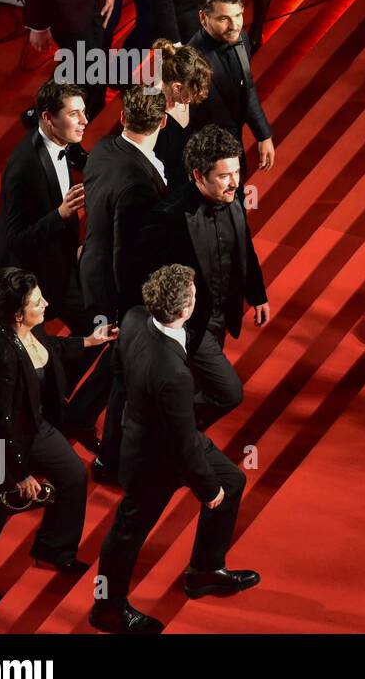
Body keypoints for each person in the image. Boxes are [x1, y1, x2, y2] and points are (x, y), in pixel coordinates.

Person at [92, 265, 257, 635]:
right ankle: (107, 608)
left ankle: (205, 571)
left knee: (232, 480)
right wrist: (205, 489)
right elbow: (183, 443)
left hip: (152, 437)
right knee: (129, 529)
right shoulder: (174, 375)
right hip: (154, 459)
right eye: (194, 294)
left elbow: (119, 368)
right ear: (184, 310)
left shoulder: (135, 318)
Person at [0, 268, 116, 604]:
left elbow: (50, 347)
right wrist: (21, 473)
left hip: (33, 426)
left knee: (71, 476)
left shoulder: (31, 329)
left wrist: (89, 340)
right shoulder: (1, 355)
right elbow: (0, 419)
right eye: (37, 302)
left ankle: (54, 548)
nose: (46, 304)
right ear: (16, 313)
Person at [0, 80, 111, 446]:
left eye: (84, 111)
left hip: (58, 269)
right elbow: (18, 238)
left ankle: (71, 411)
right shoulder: (22, 167)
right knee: (31, 367)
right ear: (48, 119)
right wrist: (60, 213)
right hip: (24, 283)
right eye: (75, 114)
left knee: (100, 329)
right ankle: (34, 436)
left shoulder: (63, 141)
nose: (85, 121)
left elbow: (81, 158)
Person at [138, 126, 270, 430]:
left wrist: (258, 293)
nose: (235, 183)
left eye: (236, 172)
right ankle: (166, 431)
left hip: (221, 315)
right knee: (228, 392)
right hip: (189, 324)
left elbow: (244, 248)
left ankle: (178, 442)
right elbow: (145, 275)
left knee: (197, 386)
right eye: (224, 176)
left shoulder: (233, 198)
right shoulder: (168, 217)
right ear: (198, 175)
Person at [81, 87, 169, 483]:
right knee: (123, 373)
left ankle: (76, 415)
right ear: (163, 122)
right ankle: (110, 462)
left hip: (91, 267)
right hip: (119, 288)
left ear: (122, 118)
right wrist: (130, 307)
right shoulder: (139, 182)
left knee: (112, 363)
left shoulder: (102, 149)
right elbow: (126, 252)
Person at [185, 0, 276, 175]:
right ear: (203, 18)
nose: (234, 25)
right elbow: (185, 126)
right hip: (206, 165)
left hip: (234, 153)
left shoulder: (240, 37)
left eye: (238, 15)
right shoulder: (191, 61)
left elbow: (247, 87)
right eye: (224, 19)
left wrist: (263, 135)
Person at [150, 38, 213, 191]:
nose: (194, 100)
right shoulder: (152, 113)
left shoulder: (180, 79)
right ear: (177, 87)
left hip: (188, 183)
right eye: (191, 94)